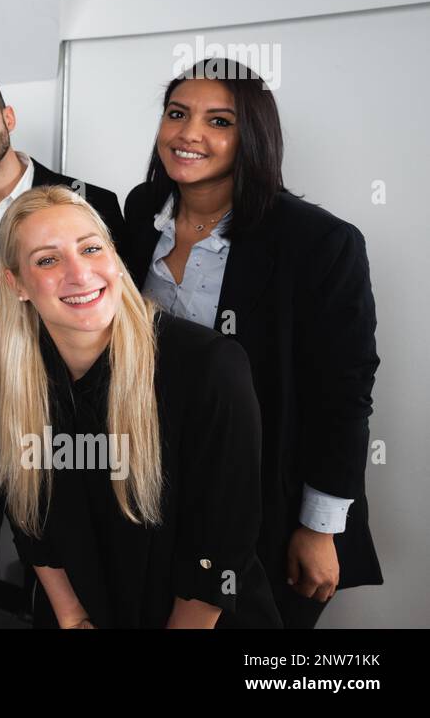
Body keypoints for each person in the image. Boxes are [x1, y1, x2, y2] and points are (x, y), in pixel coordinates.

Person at [120, 58, 381, 628]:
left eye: (219, 121)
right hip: (153, 488)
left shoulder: (318, 242)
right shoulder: (140, 213)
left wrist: (318, 528)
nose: (189, 134)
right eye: (177, 114)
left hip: (266, 499)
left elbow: (344, 395)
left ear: (253, 136)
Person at [0, 185, 280, 628]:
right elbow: (30, 519)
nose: (80, 274)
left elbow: (221, 546)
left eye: (90, 249)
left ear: (115, 257)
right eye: (47, 260)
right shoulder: (13, 380)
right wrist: (72, 619)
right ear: (16, 284)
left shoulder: (209, 367)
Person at [0, 66, 125, 610]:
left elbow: (112, 311)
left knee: (71, 533)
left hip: (68, 400)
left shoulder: (91, 202)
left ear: (7, 118)